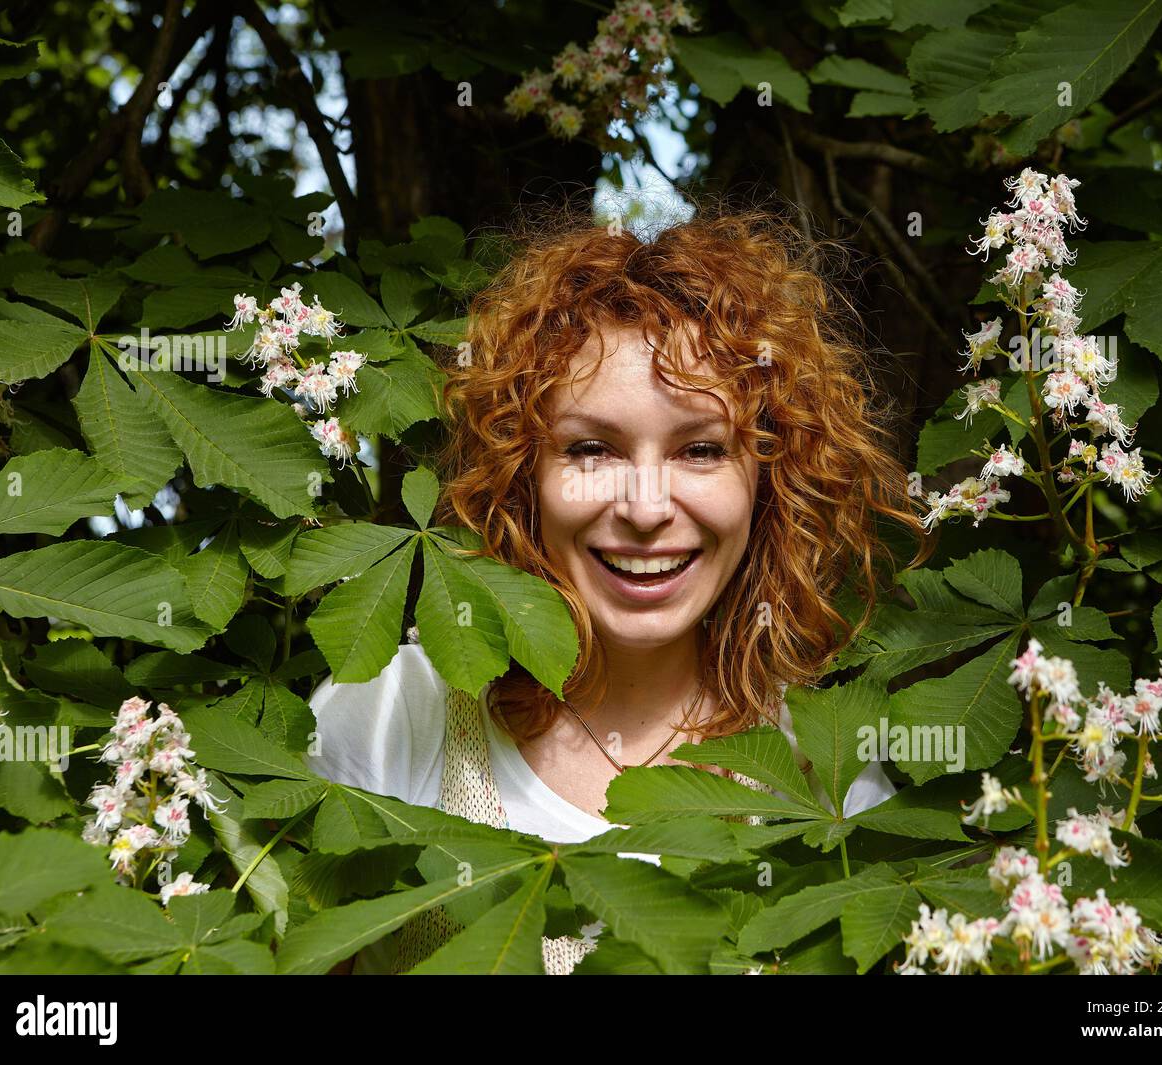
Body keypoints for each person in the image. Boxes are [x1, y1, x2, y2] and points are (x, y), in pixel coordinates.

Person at [306, 200, 925, 972]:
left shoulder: (820, 775)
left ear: (768, 480)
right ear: (521, 474)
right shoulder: (390, 712)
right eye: (591, 448)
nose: (645, 508)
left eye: (701, 449)